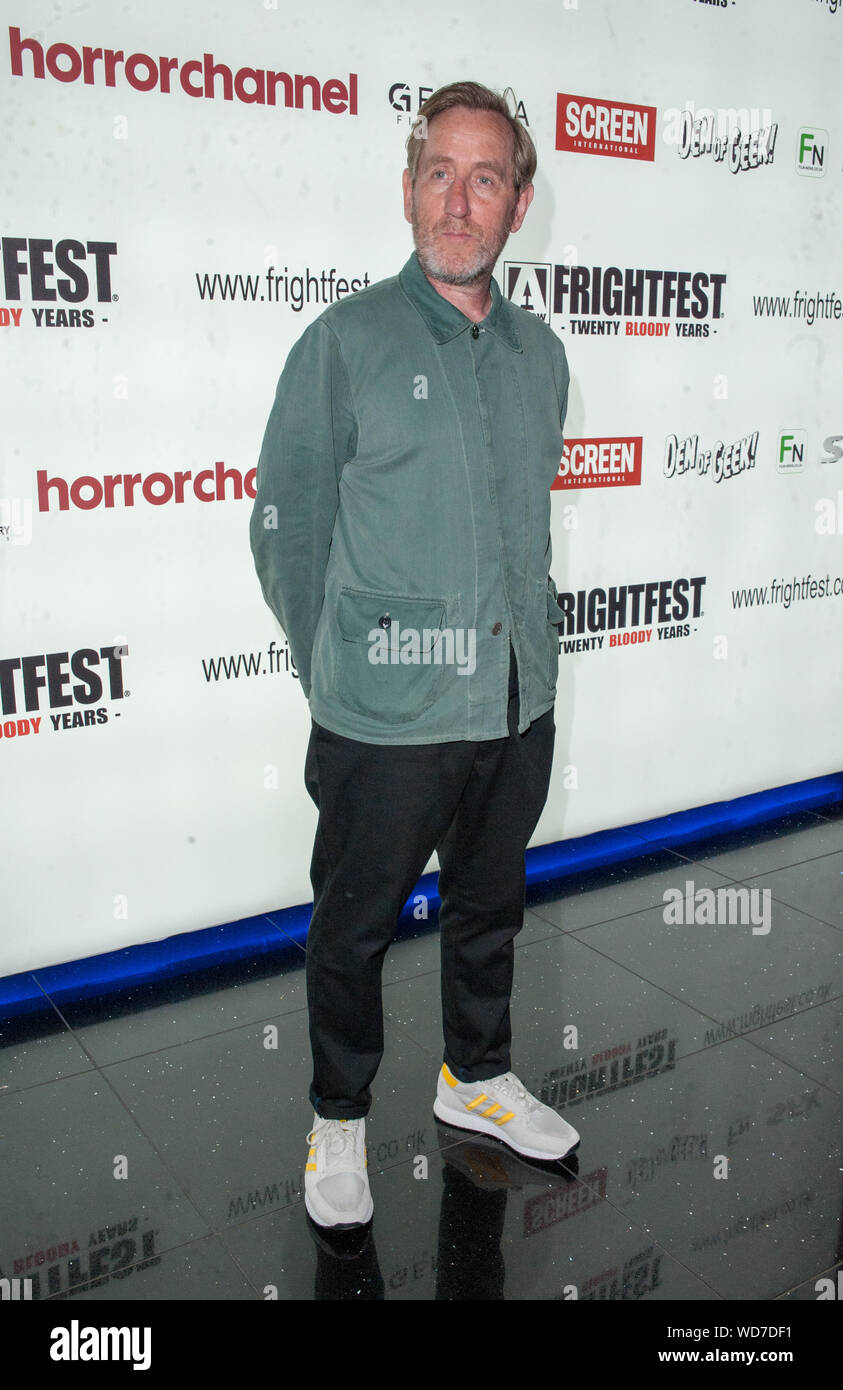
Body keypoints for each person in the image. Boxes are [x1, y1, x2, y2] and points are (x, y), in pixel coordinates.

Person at [250, 81, 580, 1230]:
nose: (459, 198)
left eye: (486, 177)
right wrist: (339, 668)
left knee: (490, 911)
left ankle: (474, 1078)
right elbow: (286, 525)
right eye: (440, 171)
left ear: (518, 203)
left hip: (512, 702)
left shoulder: (542, 357)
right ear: (407, 189)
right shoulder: (344, 343)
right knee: (352, 927)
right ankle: (338, 1115)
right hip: (384, 721)